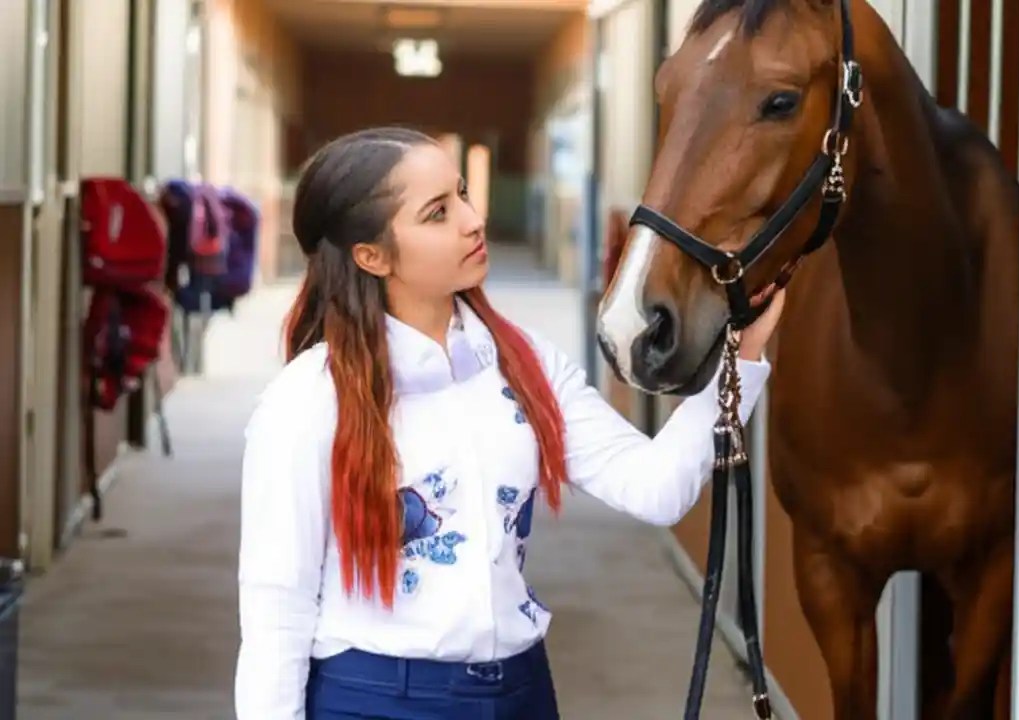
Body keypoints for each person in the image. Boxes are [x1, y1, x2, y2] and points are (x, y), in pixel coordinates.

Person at [233, 127, 785, 720]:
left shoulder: (524, 363)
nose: (472, 220)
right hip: (374, 698)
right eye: (438, 213)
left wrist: (742, 358)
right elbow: (277, 607)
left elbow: (655, 486)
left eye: (463, 195)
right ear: (373, 256)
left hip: (520, 693)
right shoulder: (308, 400)